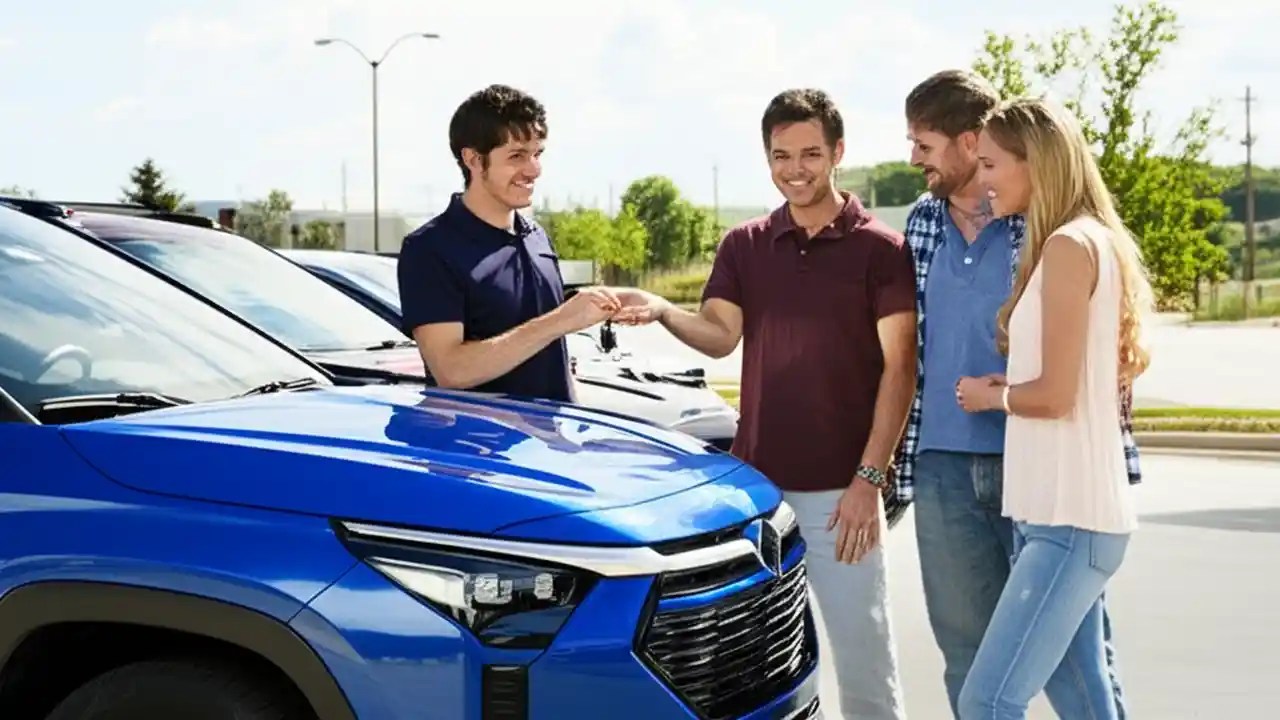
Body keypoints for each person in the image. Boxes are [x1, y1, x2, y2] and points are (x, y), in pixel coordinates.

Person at [612, 88, 914, 720]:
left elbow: (900, 370)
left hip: (844, 499)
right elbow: (720, 335)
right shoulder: (745, 244)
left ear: (837, 152)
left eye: (809, 153)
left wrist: (869, 479)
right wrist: (665, 309)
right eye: (781, 155)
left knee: (864, 662)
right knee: (761, 670)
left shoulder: (880, 249)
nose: (794, 169)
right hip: (758, 499)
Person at [895, 69, 1137, 718]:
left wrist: (996, 397)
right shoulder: (928, 225)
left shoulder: (1054, 238)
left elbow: (1069, 389)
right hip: (988, 483)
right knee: (1014, 671)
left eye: (994, 163)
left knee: (1025, 687)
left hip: (1053, 495)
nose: (914, 158)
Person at [952, 96, 1154, 720]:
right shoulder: (1081, 241)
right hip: (1063, 517)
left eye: (990, 164)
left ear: (1033, 161)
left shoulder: (1069, 246)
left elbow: (1057, 395)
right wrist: (1011, 382)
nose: (981, 180)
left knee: (987, 701)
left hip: (1071, 522)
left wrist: (996, 396)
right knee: (1086, 700)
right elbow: (1071, 379)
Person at [396, 84, 619, 402]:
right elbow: (451, 370)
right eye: (517, 156)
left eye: (537, 154)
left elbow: (548, 358)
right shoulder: (429, 249)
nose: (534, 169)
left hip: (551, 444)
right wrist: (562, 320)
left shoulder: (537, 237)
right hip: (480, 448)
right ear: (473, 159)